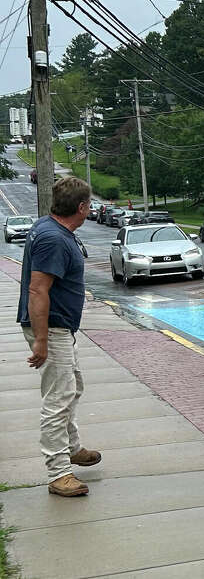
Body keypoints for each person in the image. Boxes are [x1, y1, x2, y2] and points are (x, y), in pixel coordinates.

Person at [17, 176, 100, 497]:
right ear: (80, 207)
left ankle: (72, 448)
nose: (90, 209)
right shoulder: (54, 239)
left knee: (72, 387)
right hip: (50, 328)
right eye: (89, 205)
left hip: (59, 326)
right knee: (58, 398)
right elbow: (38, 289)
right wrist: (40, 340)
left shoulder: (48, 227)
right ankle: (58, 472)